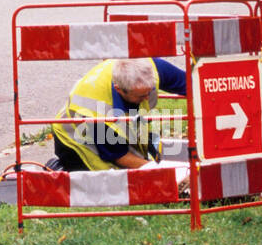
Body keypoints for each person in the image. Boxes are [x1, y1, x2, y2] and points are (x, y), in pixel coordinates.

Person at [49, 57, 187, 172]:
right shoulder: (98, 111)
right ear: (119, 89)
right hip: (76, 142)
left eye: (149, 92)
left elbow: (192, 83)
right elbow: (119, 156)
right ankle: (60, 168)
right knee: (113, 181)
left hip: (110, 132)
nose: (146, 98)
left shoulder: (151, 67)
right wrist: (165, 171)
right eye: (140, 96)